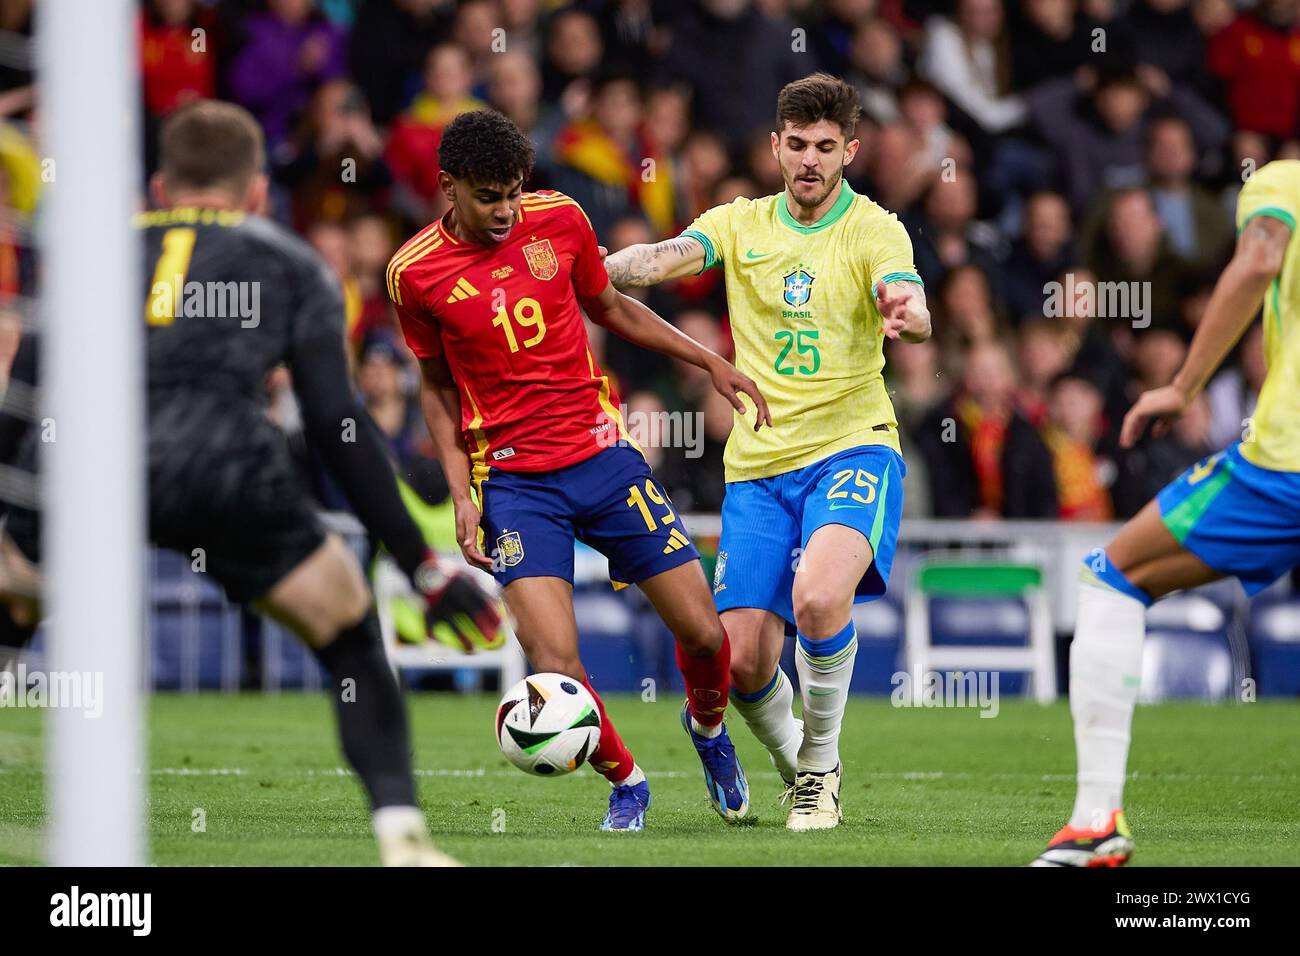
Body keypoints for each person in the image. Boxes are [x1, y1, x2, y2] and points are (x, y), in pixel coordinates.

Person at [0, 100, 508, 867]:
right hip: (224, 470)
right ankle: (404, 840)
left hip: (89, 472)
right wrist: (422, 567)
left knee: (10, 605)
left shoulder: (86, 257)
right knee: (350, 635)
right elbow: (338, 424)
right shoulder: (292, 263)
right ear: (259, 192)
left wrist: (17, 531)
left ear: (160, 188)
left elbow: (21, 406)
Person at [388, 109, 772, 832]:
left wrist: (710, 362)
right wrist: (462, 493)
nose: (505, 210)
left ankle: (710, 731)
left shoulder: (560, 220)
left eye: (513, 192)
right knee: (554, 663)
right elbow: (435, 387)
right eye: (488, 196)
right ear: (448, 187)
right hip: (514, 484)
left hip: (602, 459)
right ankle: (627, 782)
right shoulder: (413, 273)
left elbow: (612, 308)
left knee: (704, 634)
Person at [606, 73, 931, 831]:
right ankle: (795, 758)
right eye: (798, 145)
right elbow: (661, 259)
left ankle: (819, 768)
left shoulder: (875, 229)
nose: (810, 160)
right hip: (757, 467)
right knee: (744, 663)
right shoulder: (739, 223)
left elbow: (911, 305)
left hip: (852, 446)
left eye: (826, 147)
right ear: (775, 146)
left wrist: (907, 313)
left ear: (850, 152)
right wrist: (587, 264)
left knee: (819, 596)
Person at [1031, 159, 1300, 866]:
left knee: (1112, 576)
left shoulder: (1282, 184)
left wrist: (1183, 386)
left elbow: (1259, 259)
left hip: (1286, 464)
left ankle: (1096, 822)